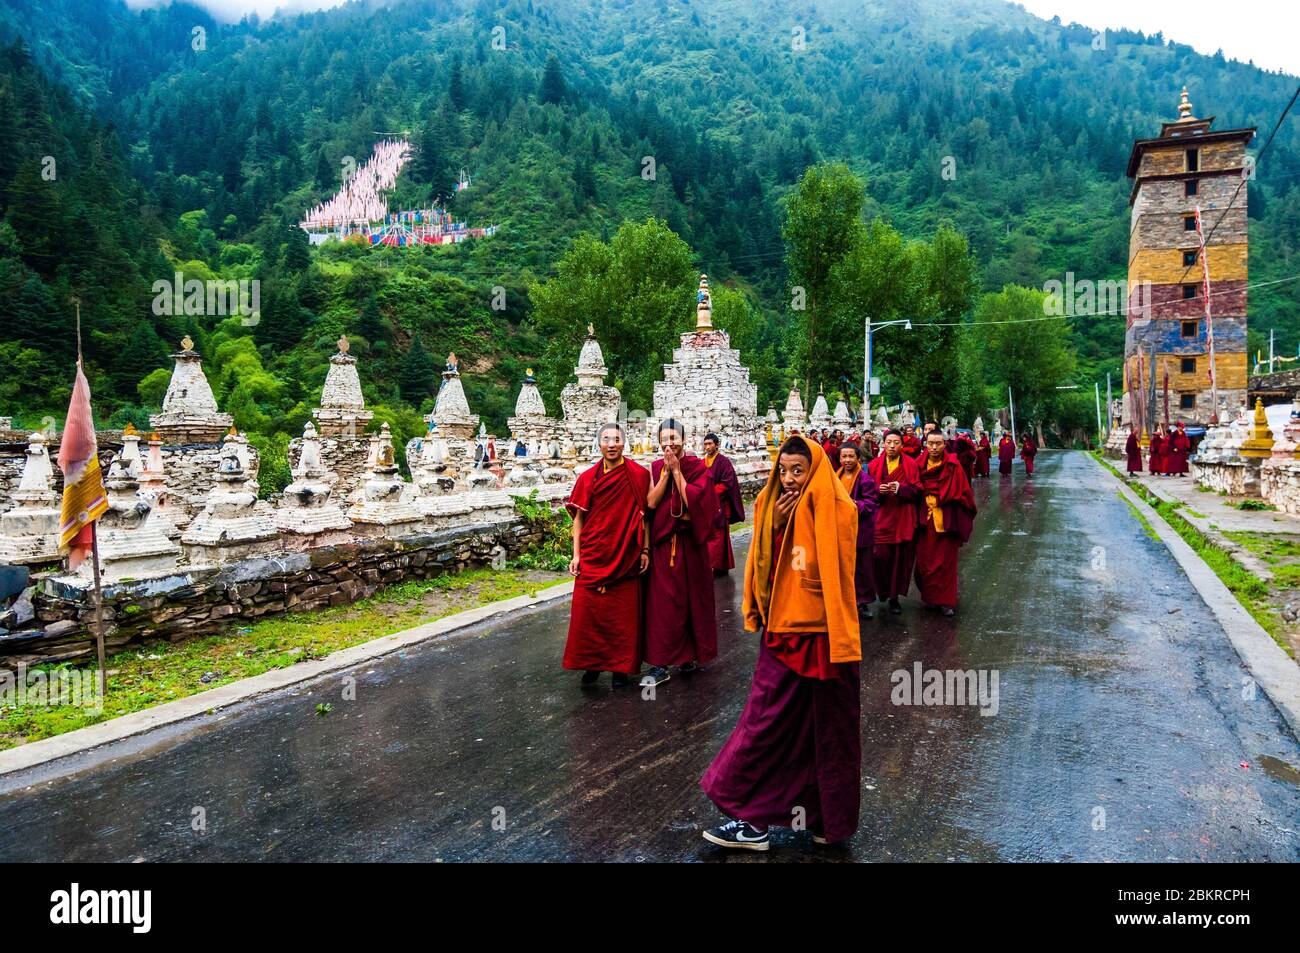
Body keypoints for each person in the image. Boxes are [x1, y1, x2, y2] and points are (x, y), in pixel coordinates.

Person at [700, 435, 861, 851]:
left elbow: (835, 569)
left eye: (798, 471)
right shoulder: (774, 505)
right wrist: (774, 524)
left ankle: (772, 821)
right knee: (791, 724)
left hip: (819, 634)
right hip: (786, 626)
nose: (789, 480)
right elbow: (766, 569)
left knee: (779, 724)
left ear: (816, 470)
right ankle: (813, 819)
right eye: (783, 471)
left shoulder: (835, 505)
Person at [562, 423, 651, 688]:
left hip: (626, 553)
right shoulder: (587, 477)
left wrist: (645, 549)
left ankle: (620, 669)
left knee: (621, 616)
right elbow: (579, 520)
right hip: (593, 554)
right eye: (606, 439)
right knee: (588, 614)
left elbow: (644, 516)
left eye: (616, 439)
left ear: (624, 443)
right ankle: (592, 665)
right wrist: (576, 555)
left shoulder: (637, 475)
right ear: (598, 444)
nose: (611, 444)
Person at [643, 419, 719, 686]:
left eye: (674, 438)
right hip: (664, 545)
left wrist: (677, 472)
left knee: (691, 601)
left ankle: (688, 656)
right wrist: (665, 473)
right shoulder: (653, 468)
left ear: (685, 439)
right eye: (665, 439)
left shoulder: (697, 468)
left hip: (691, 546)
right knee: (663, 604)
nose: (670, 443)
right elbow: (651, 503)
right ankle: (660, 663)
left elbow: (697, 503)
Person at [914, 430, 978, 618]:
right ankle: (931, 598)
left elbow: (964, 493)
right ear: (925, 444)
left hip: (946, 520)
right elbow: (913, 487)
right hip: (924, 521)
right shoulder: (918, 465)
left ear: (945, 444)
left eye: (938, 443)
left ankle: (946, 601)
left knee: (946, 563)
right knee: (925, 563)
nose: (934, 447)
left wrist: (946, 497)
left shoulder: (953, 465)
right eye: (930, 443)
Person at [866, 429, 921, 614]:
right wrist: (877, 490)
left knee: (899, 559)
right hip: (882, 518)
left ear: (902, 445)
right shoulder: (874, 465)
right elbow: (868, 492)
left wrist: (901, 489)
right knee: (880, 556)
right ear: (883, 443)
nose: (891, 446)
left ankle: (894, 598)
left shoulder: (911, 465)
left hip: (901, 518)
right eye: (888, 442)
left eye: (896, 442)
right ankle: (882, 591)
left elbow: (917, 491)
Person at [836, 441, 880, 617]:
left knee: (862, 568)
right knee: (843, 568)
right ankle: (844, 600)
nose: (847, 460)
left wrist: (855, 505)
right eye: (844, 456)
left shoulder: (865, 479)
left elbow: (871, 504)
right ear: (839, 458)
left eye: (851, 456)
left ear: (858, 458)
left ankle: (862, 602)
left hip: (860, 531)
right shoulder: (835, 478)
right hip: (840, 530)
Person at [703, 432, 745, 575]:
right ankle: (713, 564)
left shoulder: (723, 461)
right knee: (709, 537)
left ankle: (719, 566)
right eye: (705, 444)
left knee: (720, 538)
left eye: (710, 444)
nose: (707, 447)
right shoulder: (703, 462)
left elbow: (727, 483)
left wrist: (711, 492)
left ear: (717, 445)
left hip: (720, 505)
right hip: (707, 506)